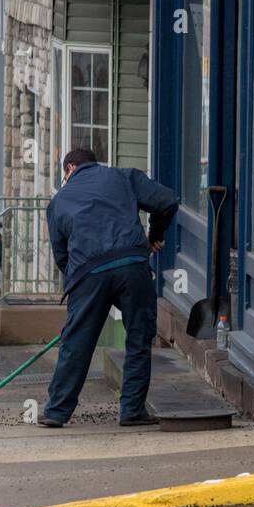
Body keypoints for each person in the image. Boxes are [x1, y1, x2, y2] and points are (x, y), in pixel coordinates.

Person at [41, 148, 179, 428]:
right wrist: (155, 235)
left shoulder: (58, 202)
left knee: (77, 342)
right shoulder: (123, 176)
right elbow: (168, 201)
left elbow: (61, 256)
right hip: (131, 264)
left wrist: (79, 284)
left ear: (69, 168)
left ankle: (56, 412)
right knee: (139, 337)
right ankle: (131, 410)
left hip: (88, 272)